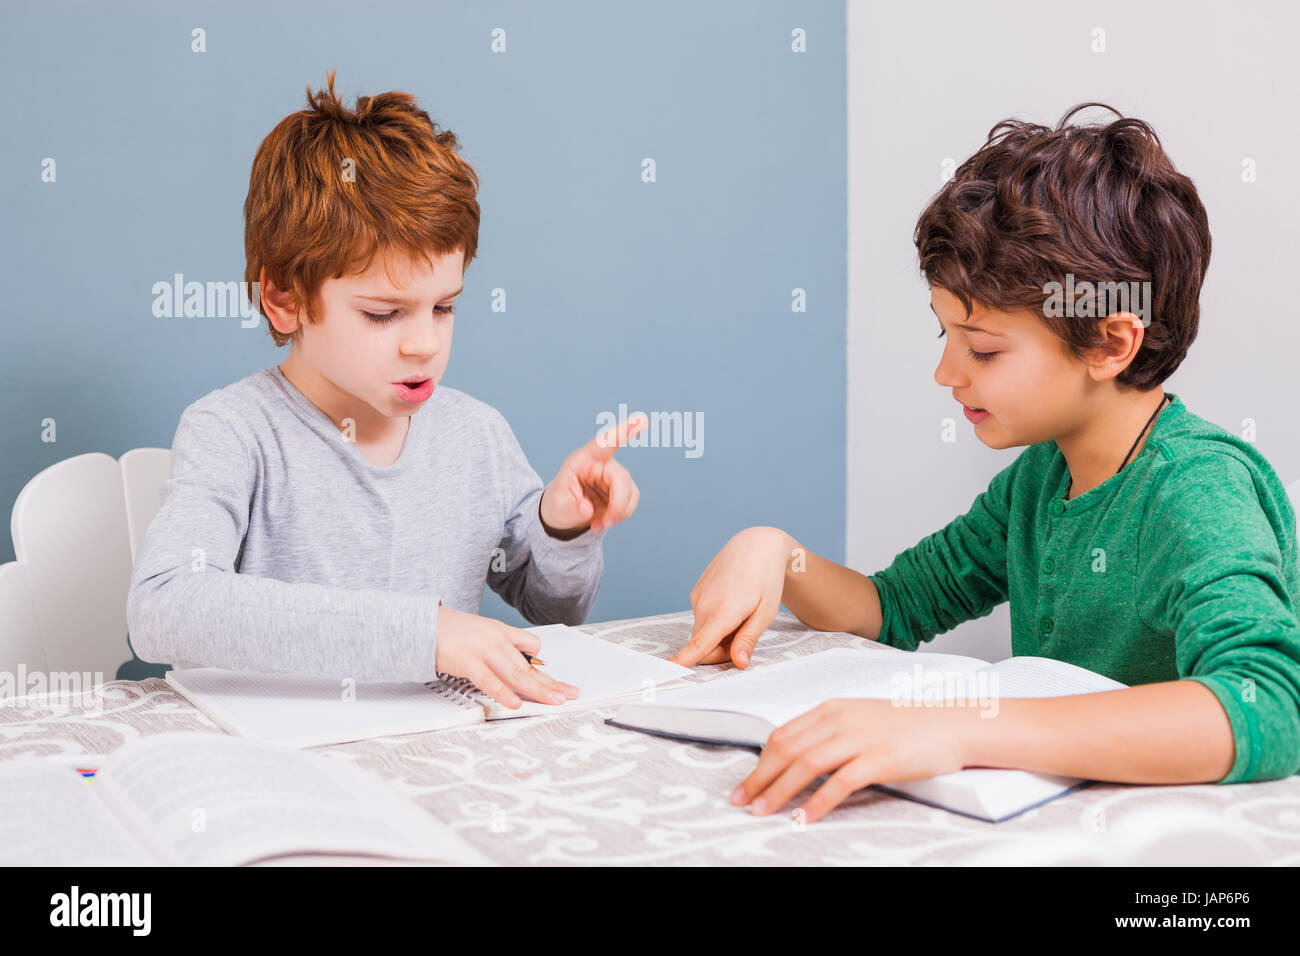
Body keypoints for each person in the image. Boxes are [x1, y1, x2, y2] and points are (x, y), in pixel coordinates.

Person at [672, 103, 1300, 822]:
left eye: (983, 348)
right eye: (944, 335)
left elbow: (1269, 704)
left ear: (1108, 343)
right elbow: (893, 607)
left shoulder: (1197, 488)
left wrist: (968, 728)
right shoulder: (1040, 481)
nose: (946, 373)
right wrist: (780, 556)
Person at [127, 71, 644, 710]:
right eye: (382, 314)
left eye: (444, 307)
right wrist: (423, 633)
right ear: (284, 298)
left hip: (430, 752)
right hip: (280, 763)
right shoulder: (233, 431)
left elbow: (551, 608)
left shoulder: (475, 435)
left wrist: (561, 529)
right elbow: (164, 604)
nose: (424, 343)